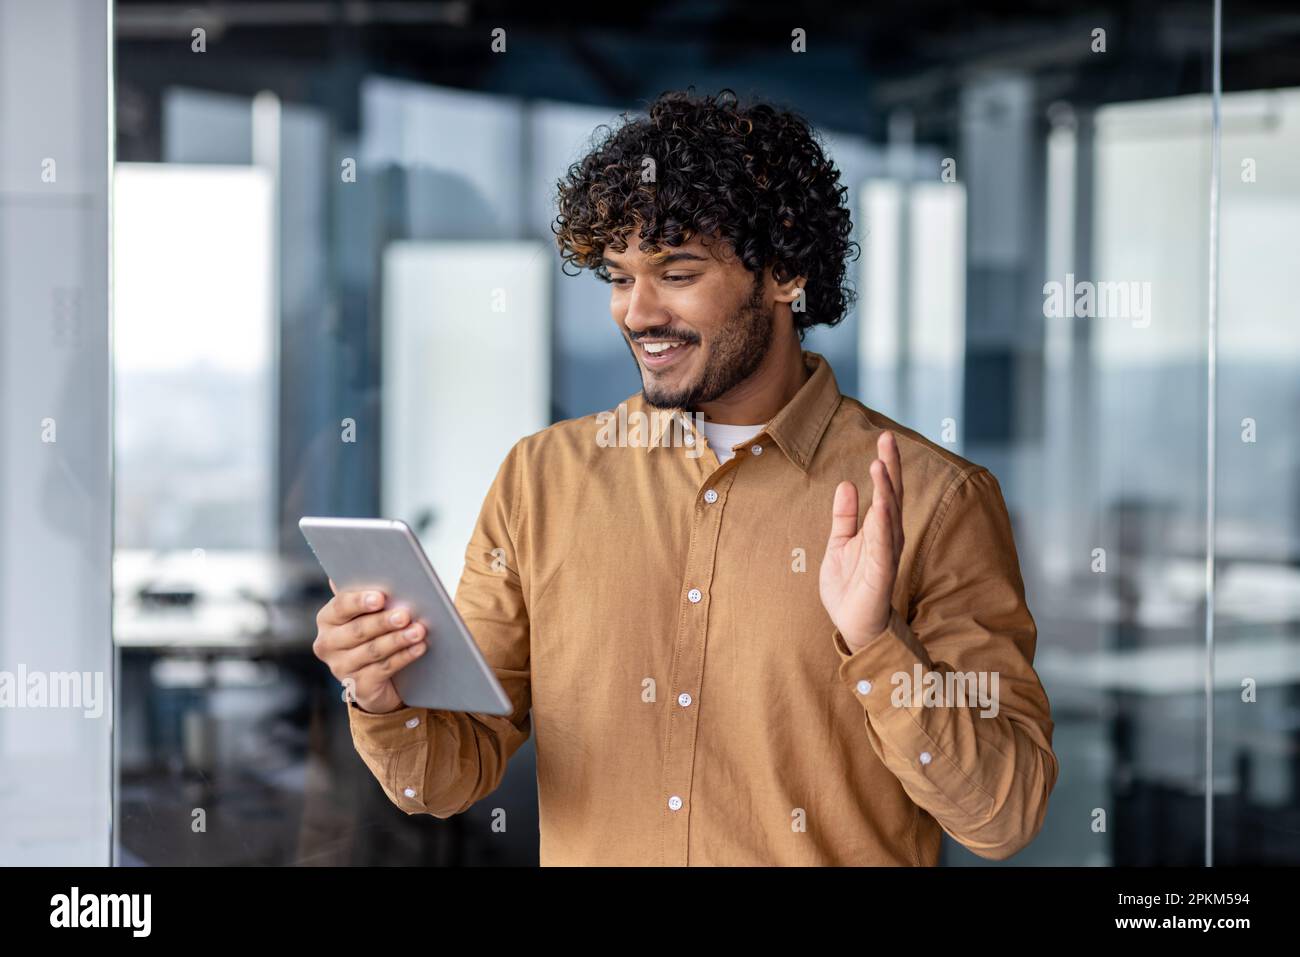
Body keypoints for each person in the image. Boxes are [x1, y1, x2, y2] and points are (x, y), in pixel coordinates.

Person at [312, 89, 1058, 865]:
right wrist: (382, 692)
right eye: (617, 277)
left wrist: (877, 645)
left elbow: (1005, 816)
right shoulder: (541, 480)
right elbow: (446, 775)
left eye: (676, 272)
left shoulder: (936, 500)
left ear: (785, 269)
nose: (637, 312)